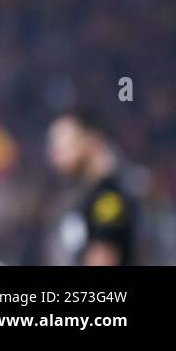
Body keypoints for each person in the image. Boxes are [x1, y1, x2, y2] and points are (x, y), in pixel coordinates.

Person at [46, 108, 139, 265]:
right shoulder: (83, 194)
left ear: (93, 141)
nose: (55, 155)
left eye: (65, 146)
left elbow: (104, 258)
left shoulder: (108, 196)